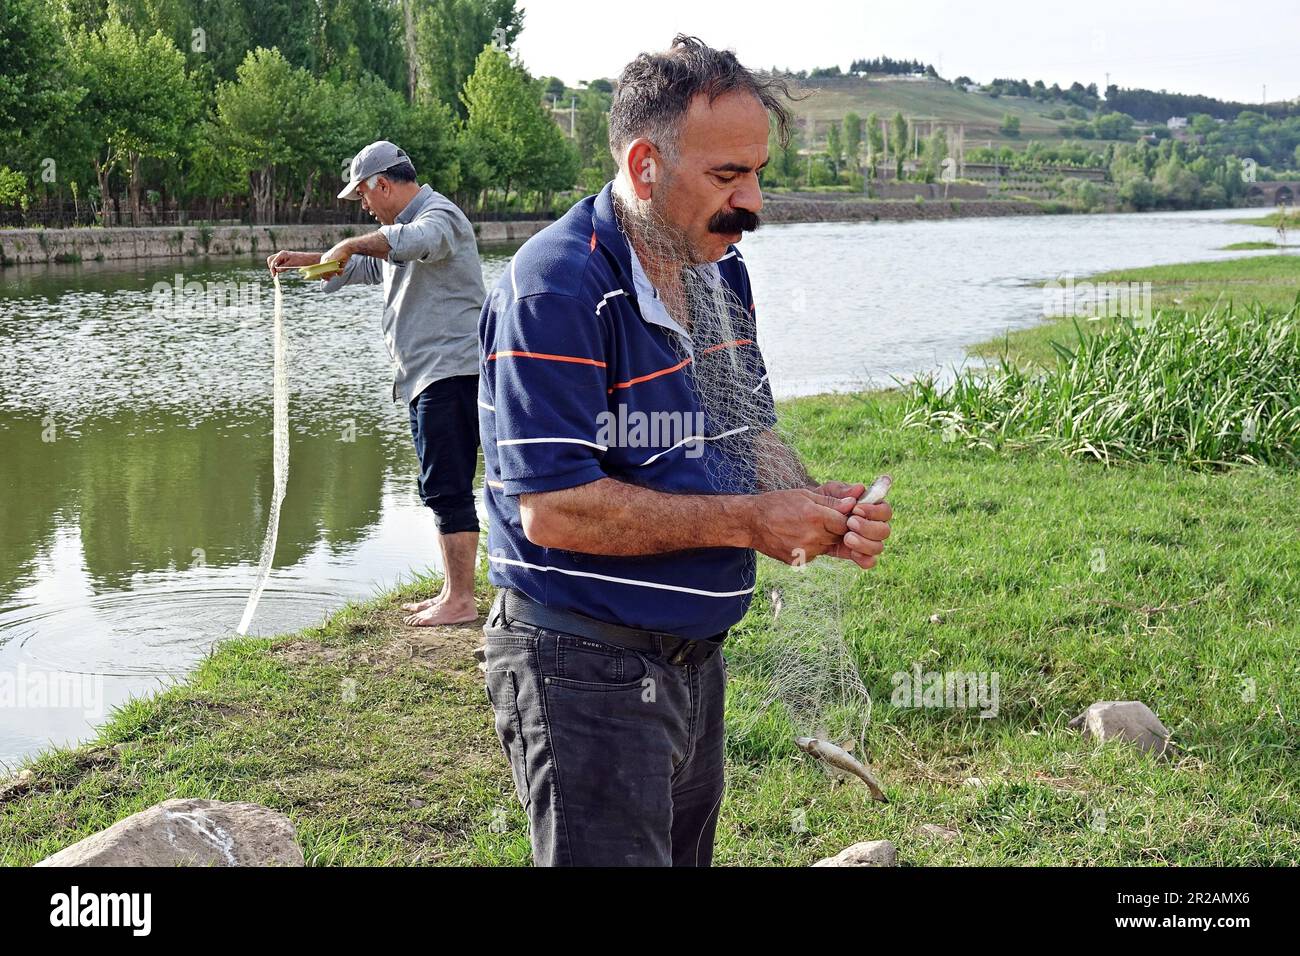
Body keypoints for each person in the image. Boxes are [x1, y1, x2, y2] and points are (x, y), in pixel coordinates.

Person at [477, 36, 893, 866]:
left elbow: (749, 433)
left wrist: (817, 508)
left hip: (692, 662)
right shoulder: (557, 288)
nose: (754, 203)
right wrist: (750, 521)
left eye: (758, 173)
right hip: (582, 668)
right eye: (728, 176)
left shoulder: (715, 268)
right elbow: (554, 510)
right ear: (644, 165)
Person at [268, 142, 485, 627]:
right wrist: (309, 260)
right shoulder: (400, 234)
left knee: (447, 486)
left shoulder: (438, 217)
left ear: (384, 184)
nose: (364, 206)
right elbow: (367, 263)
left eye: (364, 195)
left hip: (451, 372)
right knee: (437, 485)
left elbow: (410, 241)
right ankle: (453, 591)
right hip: (424, 376)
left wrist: (348, 243)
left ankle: (462, 601)